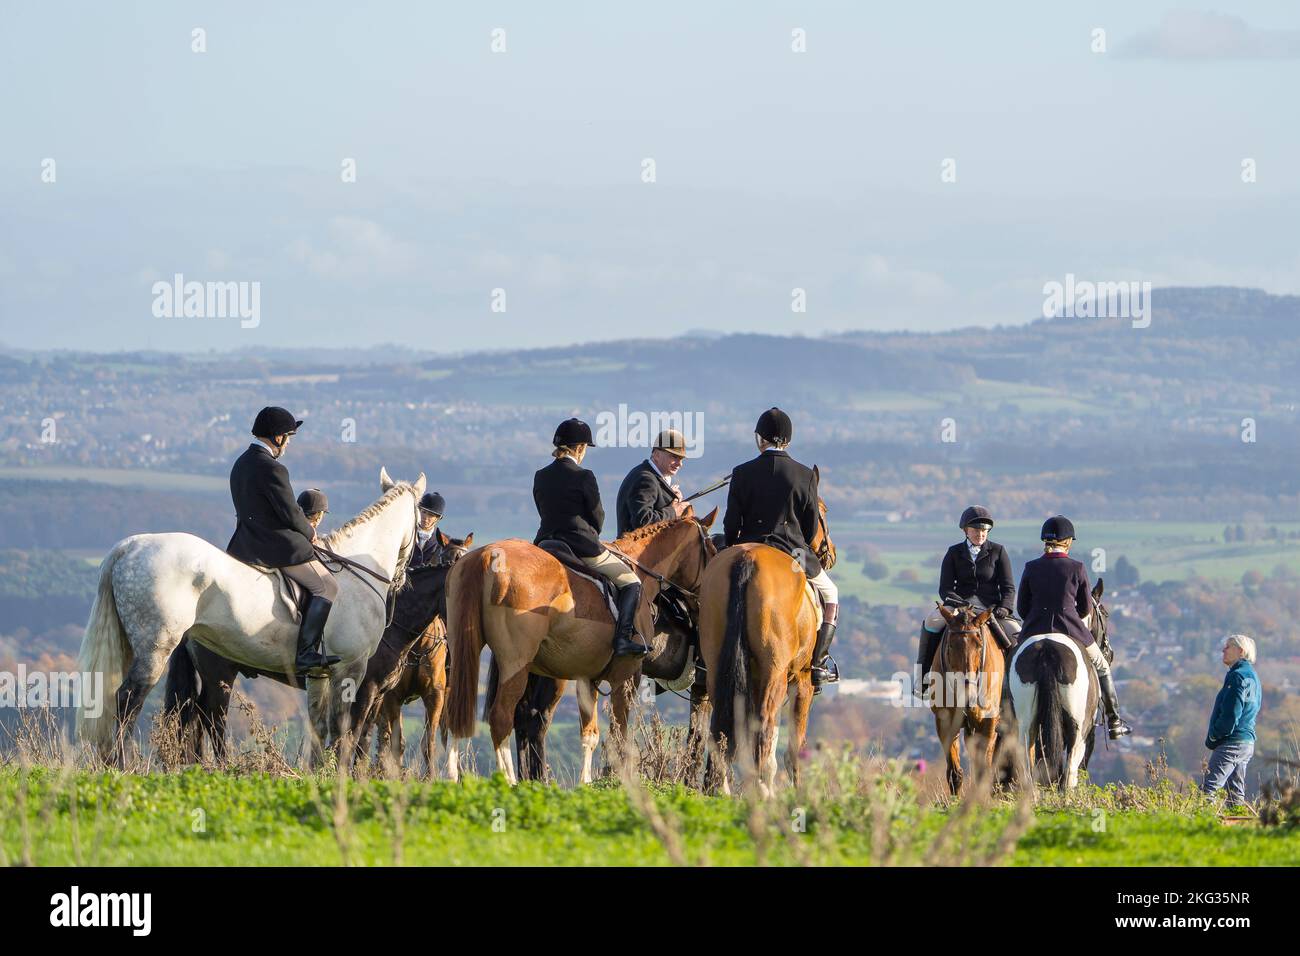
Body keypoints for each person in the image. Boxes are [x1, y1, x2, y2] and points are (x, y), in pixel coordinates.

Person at [723, 407, 839, 691]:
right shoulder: (804, 475)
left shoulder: (741, 472)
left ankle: (702, 661)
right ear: (787, 440)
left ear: (759, 439)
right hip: (792, 552)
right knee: (831, 594)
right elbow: (811, 530)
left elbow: (730, 523)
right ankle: (818, 663)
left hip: (746, 546)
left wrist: (732, 547)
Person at [227, 406, 340, 676]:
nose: (288, 444)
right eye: (288, 437)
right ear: (277, 437)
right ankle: (306, 653)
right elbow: (290, 513)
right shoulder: (274, 469)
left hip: (243, 543)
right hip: (273, 547)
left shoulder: (241, 462)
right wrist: (310, 533)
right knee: (328, 586)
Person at [534, 418, 647, 658]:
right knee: (631, 582)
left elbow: (543, 510)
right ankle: (623, 639)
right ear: (580, 448)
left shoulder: (540, 475)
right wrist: (591, 533)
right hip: (579, 545)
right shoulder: (584, 476)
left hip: (546, 543)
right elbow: (597, 516)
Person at [1017, 515, 1130, 739]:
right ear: (1068, 542)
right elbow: (1086, 608)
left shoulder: (1031, 567)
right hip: (1070, 628)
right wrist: (1071, 618)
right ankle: (1114, 719)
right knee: (1102, 665)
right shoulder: (1077, 568)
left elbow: (1022, 607)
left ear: (1045, 541)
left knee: (1010, 662)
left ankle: (1003, 713)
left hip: (1033, 629)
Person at [915, 506, 1019, 697]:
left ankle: (1015, 686)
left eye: (984, 530)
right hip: (958, 606)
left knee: (1017, 634)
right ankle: (923, 677)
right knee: (932, 622)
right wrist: (958, 604)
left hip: (990, 609)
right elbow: (945, 588)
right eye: (977, 530)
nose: (981, 534)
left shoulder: (998, 551)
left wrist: (1005, 607)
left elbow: (1008, 588)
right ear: (966, 530)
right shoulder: (954, 552)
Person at [1203, 634, 1261, 807]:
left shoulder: (1236, 676)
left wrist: (1215, 736)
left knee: (1208, 790)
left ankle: (1202, 828)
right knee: (1235, 796)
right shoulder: (1253, 676)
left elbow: (1231, 714)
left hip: (1232, 741)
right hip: (1246, 742)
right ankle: (1240, 829)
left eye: (1228, 646)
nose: (1223, 650)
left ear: (1240, 651)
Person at [615, 428, 690, 536]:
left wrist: (670, 498)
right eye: (674, 457)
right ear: (656, 454)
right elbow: (642, 521)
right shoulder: (646, 479)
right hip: (635, 551)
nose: (680, 464)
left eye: (681, 459)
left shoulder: (648, 475)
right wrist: (673, 511)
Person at [409, 490, 447, 569]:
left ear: (437, 518)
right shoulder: (406, 533)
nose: (425, 518)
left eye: (431, 515)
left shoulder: (443, 541)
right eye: (424, 512)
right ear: (418, 511)